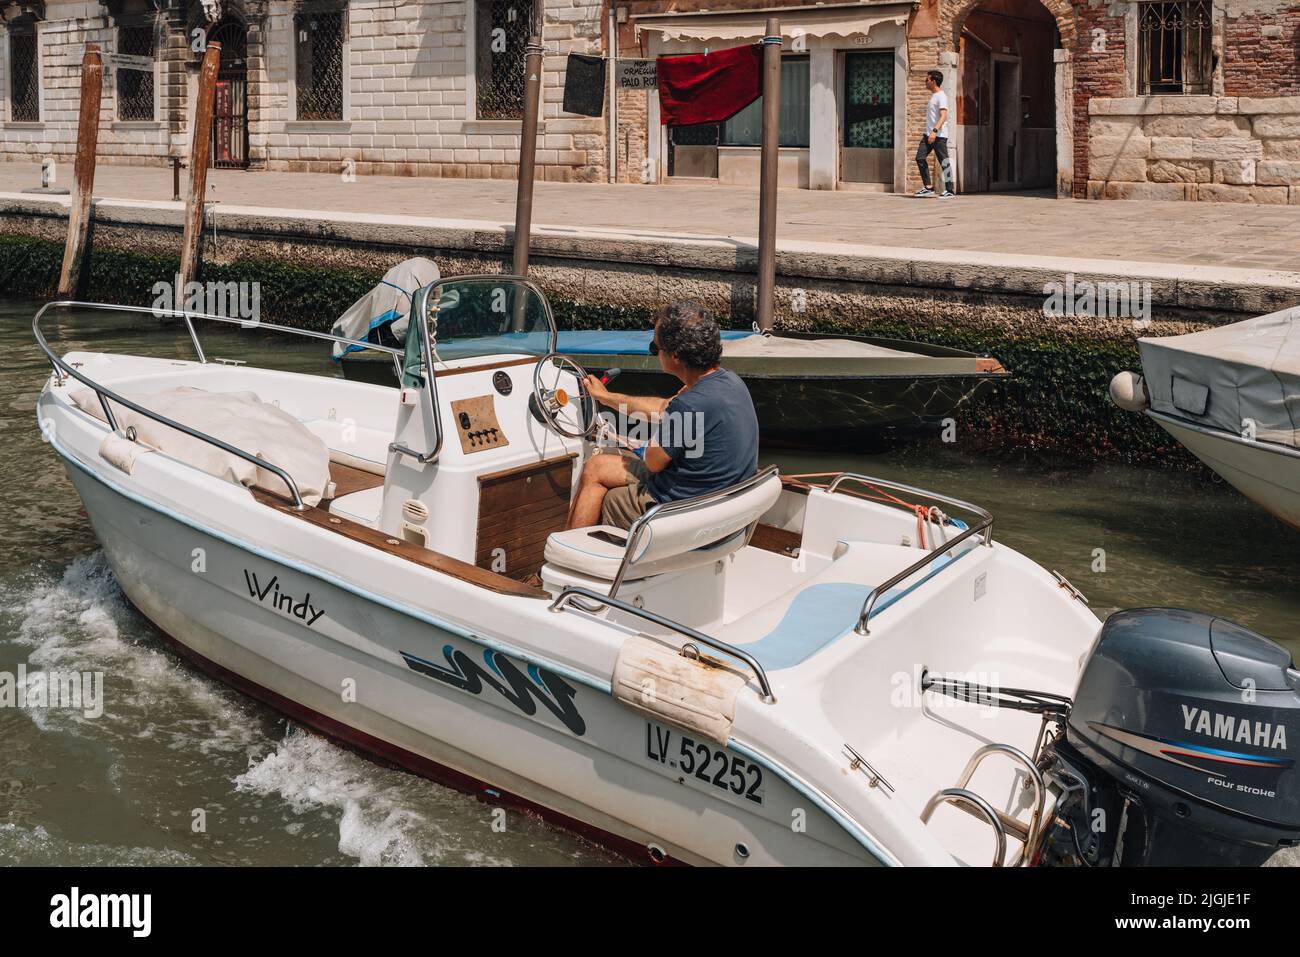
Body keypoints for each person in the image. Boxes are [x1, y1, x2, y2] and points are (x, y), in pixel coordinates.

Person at [566, 301, 759, 531]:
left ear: (675, 356)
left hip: (680, 513)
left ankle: (570, 555)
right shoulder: (731, 382)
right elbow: (664, 408)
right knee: (597, 466)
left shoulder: (689, 405)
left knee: (601, 485)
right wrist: (605, 397)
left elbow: (653, 462)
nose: (654, 352)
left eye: (654, 347)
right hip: (717, 506)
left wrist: (640, 445)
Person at [915, 70, 955, 199]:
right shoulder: (933, 96)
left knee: (944, 162)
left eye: (927, 79)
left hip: (939, 135)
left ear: (933, 81)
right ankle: (928, 187)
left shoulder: (941, 96)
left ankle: (950, 190)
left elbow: (943, 116)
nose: (925, 82)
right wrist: (929, 133)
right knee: (920, 158)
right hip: (928, 135)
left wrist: (935, 131)